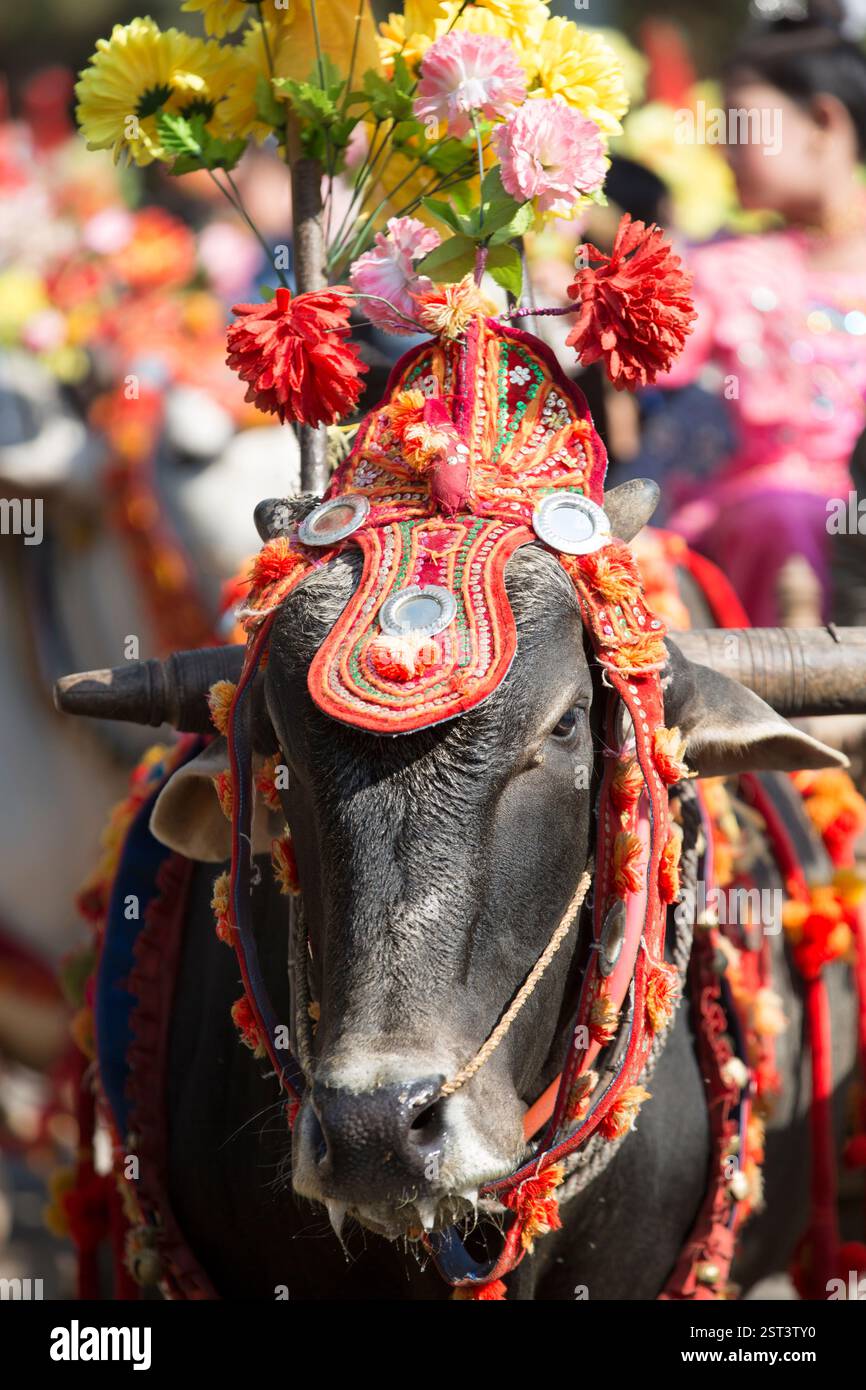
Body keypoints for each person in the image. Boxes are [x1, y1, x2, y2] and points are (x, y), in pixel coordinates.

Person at [658, 0, 866, 623]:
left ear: (822, 122)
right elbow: (651, 360)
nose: (724, 151)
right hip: (761, 518)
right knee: (783, 508)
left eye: (742, 128)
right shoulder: (726, 265)